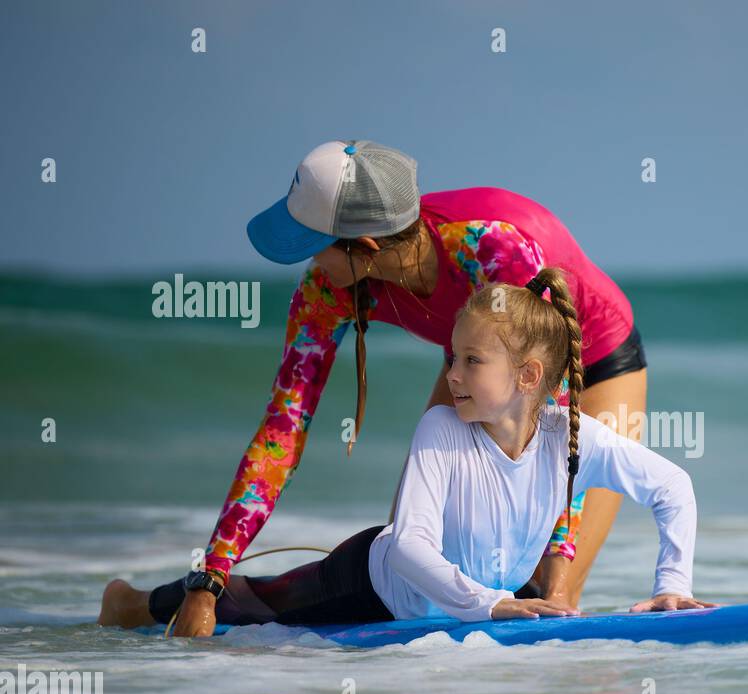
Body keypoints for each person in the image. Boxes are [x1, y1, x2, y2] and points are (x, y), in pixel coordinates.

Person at [173, 139, 649, 636]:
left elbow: (555, 423)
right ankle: (153, 605)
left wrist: (558, 572)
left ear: (367, 249)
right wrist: (210, 577)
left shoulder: (493, 251)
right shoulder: (327, 291)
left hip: (593, 362)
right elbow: (282, 430)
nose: (310, 266)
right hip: (479, 362)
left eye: (314, 247)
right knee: (406, 572)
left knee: (544, 592)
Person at [98, 269, 716, 632]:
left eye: (472, 361)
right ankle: (130, 605)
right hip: (373, 585)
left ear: (528, 377)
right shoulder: (442, 431)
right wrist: (492, 605)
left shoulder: (572, 438)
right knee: (254, 605)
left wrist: (671, 584)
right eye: (452, 356)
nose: (452, 374)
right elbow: (412, 546)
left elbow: (673, 488)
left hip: (474, 600)